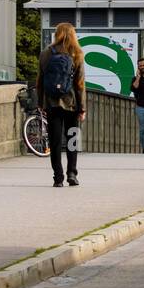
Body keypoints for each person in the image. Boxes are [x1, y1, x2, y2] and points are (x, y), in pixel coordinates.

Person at [36, 22, 87, 187]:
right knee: (72, 139)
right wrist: (82, 108)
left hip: (52, 103)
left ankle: (58, 177)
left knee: (55, 141)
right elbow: (80, 84)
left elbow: (40, 81)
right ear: (73, 35)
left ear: (56, 34)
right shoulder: (77, 54)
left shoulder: (45, 54)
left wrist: (40, 103)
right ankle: (72, 173)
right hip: (71, 104)